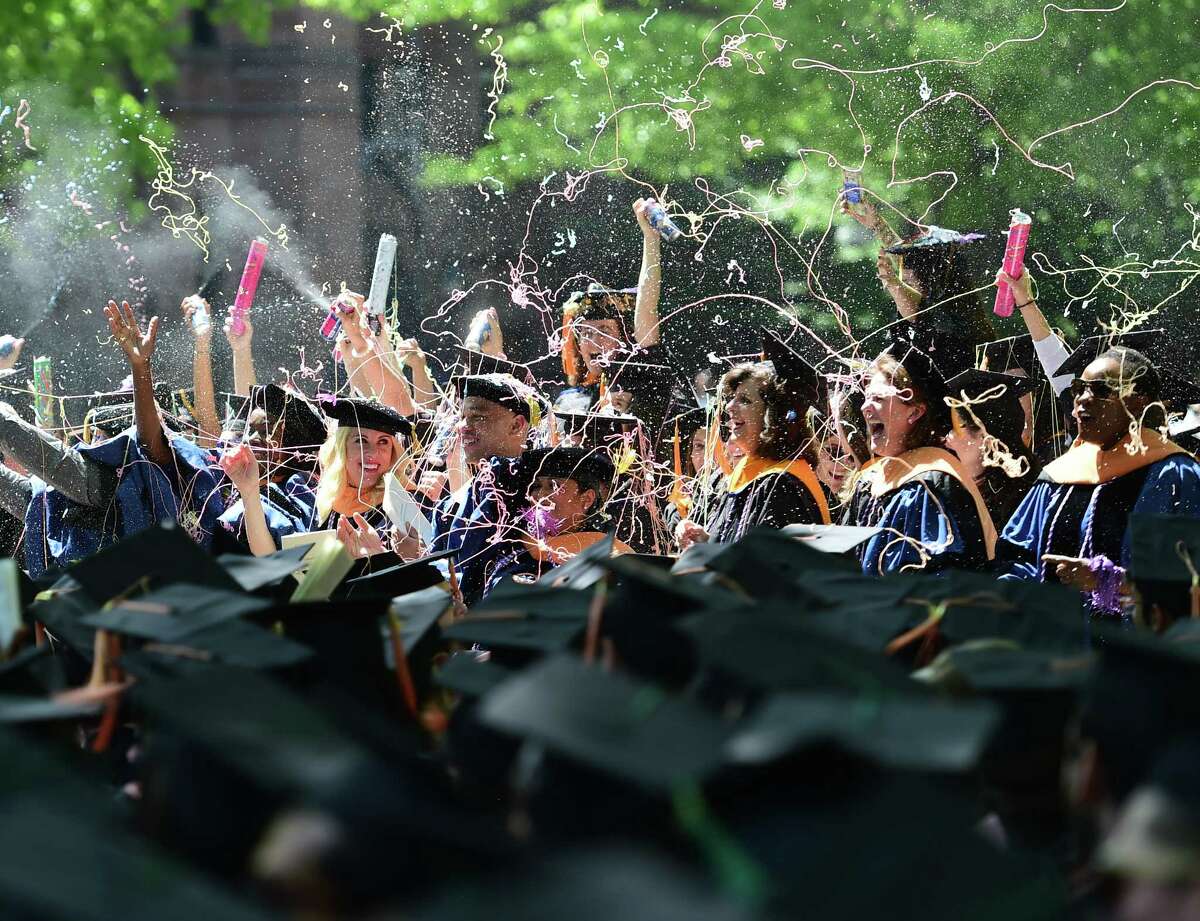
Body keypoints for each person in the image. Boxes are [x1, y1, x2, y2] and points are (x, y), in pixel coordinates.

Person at [23, 301, 225, 578]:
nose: (100, 447)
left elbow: (150, 443)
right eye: (97, 437)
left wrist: (142, 366)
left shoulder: (188, 468)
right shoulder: (62, 499)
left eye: (109, 440)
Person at [998, 345, 1200, 613]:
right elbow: (1017, 557)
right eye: (1079, 388)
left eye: (1101, 390)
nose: (1083, 398)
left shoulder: (1176, 475)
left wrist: (1113, 582)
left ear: (1138, 401)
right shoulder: (1059, 476)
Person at [843, 332, 996, 575]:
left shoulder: (931, 482)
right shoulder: (871, 480)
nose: (864, 407)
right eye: (866, 398)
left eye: (878, 398)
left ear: (914, 413)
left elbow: (936, 578)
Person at [221, 396, 413, 558]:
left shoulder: (405, 504)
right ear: (341, 447)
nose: (372, 453)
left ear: (392, 453)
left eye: (383, 442)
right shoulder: (306, 490)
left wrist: (394, 557)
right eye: (360, 440)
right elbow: (271, 559)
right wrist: (248, 490)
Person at [676, 354, 830, 549]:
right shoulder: (746, 474)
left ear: (773, 415)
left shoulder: (783, 485)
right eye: (733, 398)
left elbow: (769, 563)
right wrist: (707, 542)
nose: (729, 406)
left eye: (745, 400)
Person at [428, 373, 541, 605]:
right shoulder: (451, 504)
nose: (463, 427)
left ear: (516, 425)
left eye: (478, 417)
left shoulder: (542, 495)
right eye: (462, 417)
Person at [483, 446, 631, 594]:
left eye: (554, 486)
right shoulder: (511, 544)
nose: (540, 495)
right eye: (536, 486)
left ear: (587, 499)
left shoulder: (609, 550)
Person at [215, 384, 328, 555]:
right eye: (250, 430)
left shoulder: (310, 496)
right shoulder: (227, 483)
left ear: (292, 441)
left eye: (265, 431)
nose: (251, 439)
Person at [943, 368, 1042, 531]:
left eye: (954, 427)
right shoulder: (949, 495)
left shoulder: (1028, 505)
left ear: (987, 438)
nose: (947, 437)